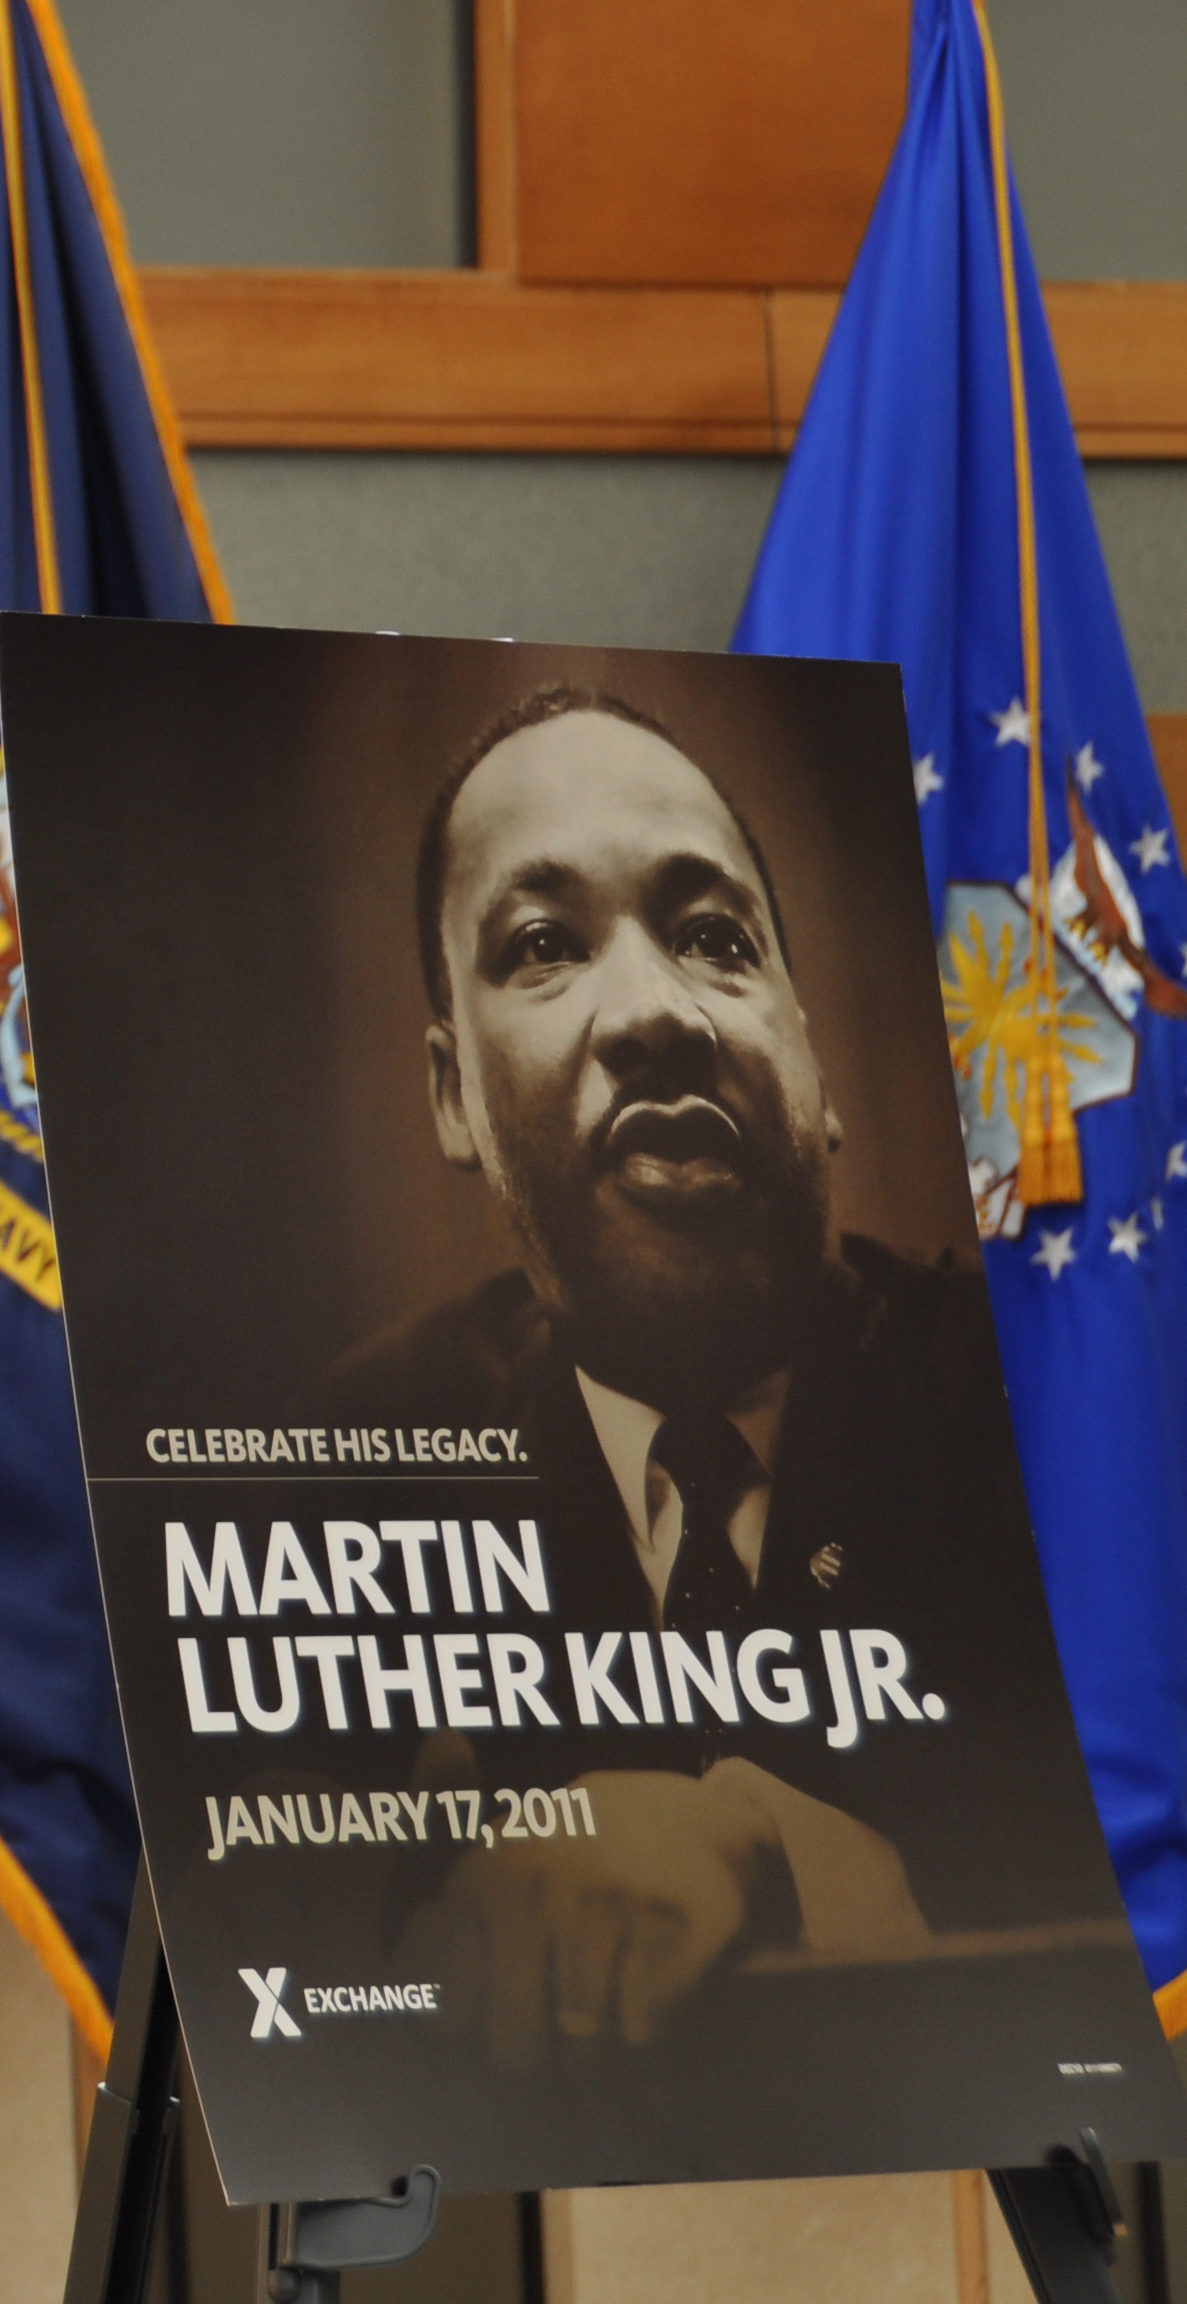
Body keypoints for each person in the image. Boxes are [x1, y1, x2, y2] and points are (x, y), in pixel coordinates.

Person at [344, 683, 1089, 2064]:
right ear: (454, 1098)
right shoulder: (357, 1467)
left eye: (711, 939)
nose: (655, 1011)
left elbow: (1117, 1902)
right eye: (545, 945)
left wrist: (763, 1842)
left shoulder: (1039, 1415)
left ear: (814, 1059)